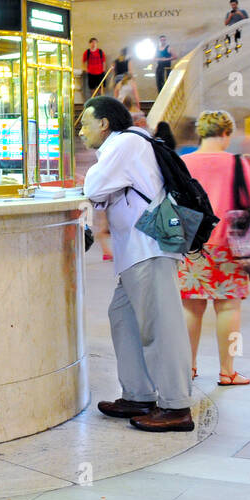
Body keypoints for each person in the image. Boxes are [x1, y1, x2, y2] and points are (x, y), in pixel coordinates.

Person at [80, 96, 193, 432]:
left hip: (149, 248)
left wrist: (95, 183)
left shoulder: (126, 142)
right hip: (137, 252)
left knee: (161, 327)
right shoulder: (126, 144)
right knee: (123, 318)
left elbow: (94, 187)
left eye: (86, 123)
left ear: (104, 123)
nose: (82, 131)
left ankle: (176, 407)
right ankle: (138, 394)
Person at [179, 111, 250, 386]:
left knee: (191, 306)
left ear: (201, 133)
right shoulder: (237, 163)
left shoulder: (184, 162)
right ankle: (228, 372)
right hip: (230, 245)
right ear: (226, 134)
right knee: (228, 307)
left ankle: (187, 368)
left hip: (193, 244)